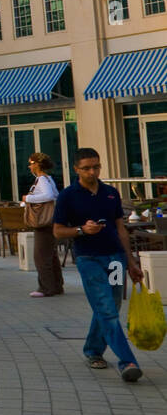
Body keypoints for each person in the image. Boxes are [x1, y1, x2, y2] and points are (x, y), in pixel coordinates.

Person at [52, 147, 144, 382]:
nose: (92, 172)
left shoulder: (111, 193)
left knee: (111, 303)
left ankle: (93, 350)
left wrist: (131, 261)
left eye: (96, 166)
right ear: (76, 169)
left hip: (114, 258)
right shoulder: (67, 196)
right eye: (86, 168)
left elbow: (120, 229)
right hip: (88, 258)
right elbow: (58, 231)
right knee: (106, 309)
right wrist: (82, 230)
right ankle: (127, 361)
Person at [23, 153, 63, 298]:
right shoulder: (48, 179)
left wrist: (28, 198)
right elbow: (56, 196)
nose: (29, 166)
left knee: (40, 256)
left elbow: (49, 196)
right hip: (50, 221)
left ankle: (46, 288)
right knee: (51, 255)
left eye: (31, 163)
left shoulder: (41, 180)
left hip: (43, 223)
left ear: (37, 164)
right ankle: (56, 285)